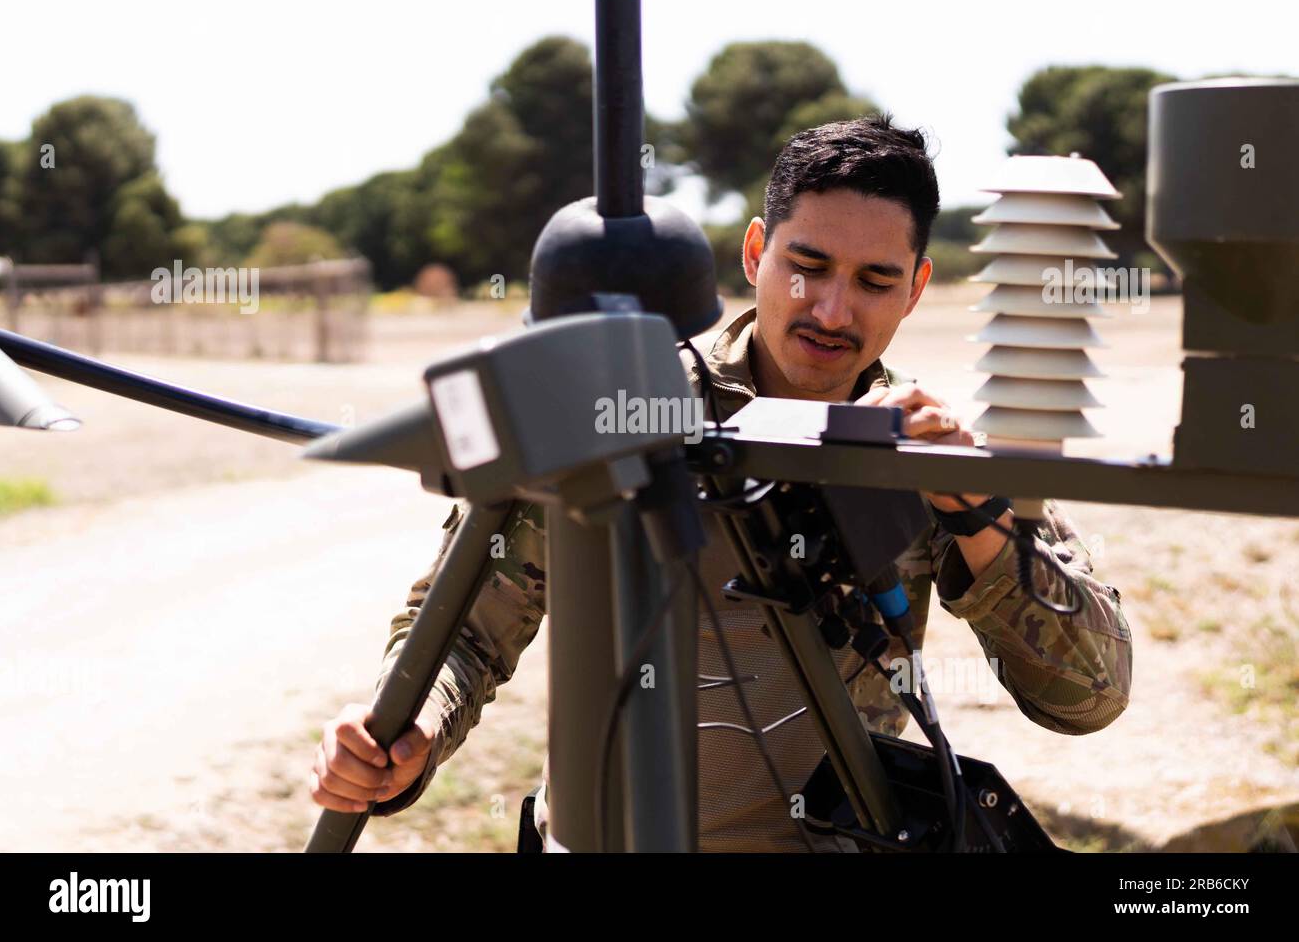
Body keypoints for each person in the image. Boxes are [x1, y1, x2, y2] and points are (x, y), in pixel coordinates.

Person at [309, 114, 1133, 851]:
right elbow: (465, 627)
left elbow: (1090, 695)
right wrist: (411, 732)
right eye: (806, 265)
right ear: (754, 253)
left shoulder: (923, 447)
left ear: (917, 288)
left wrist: (975, 517)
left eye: (876, 281)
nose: (832, 311)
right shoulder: (620, 413)